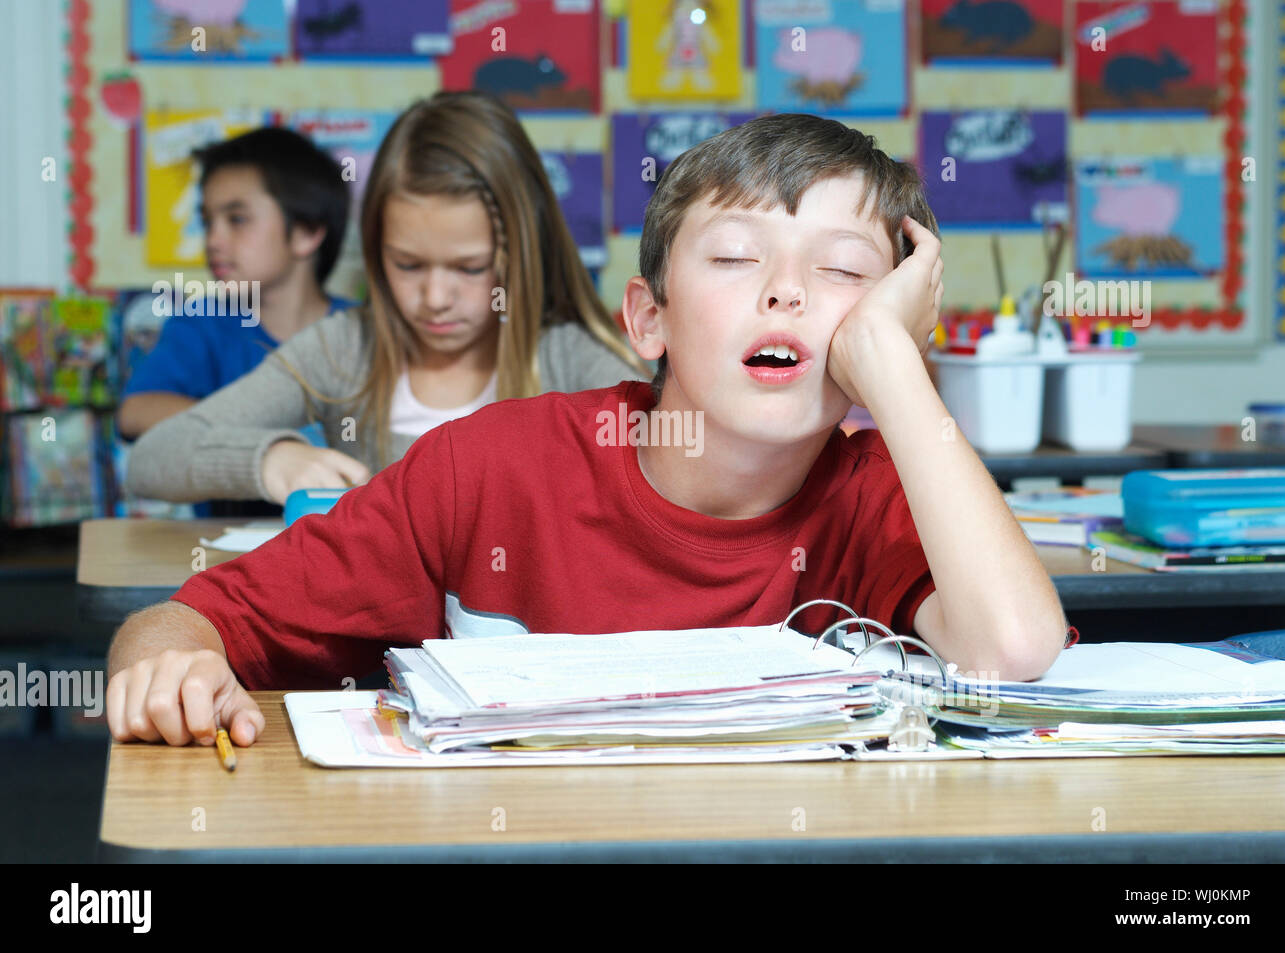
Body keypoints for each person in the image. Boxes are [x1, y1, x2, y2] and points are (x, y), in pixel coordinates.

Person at [106, 113, 1066, 748]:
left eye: (845, 274)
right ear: (646, 319)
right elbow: (183, 619)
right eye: (735, 256)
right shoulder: (484, 467)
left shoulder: (872, 493)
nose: (786, 289)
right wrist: (164, 668)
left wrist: (895, 379)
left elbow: (1015, 650)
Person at [125, 91, 645, 505]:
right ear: (374, 251)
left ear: (521, 252)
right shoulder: (341, 350)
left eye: (468, 267)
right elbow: (153, 458)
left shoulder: (567, 358)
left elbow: (689, 464)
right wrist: (271, 459)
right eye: (408, 265)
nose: (435, 298)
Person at [117, 127, 354, 440]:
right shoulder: (203, 324)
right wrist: (263, 436)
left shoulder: (365, 332)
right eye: (207, 222)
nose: (213, 240)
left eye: (237, 219)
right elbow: (135, 412)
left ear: (305, 233)